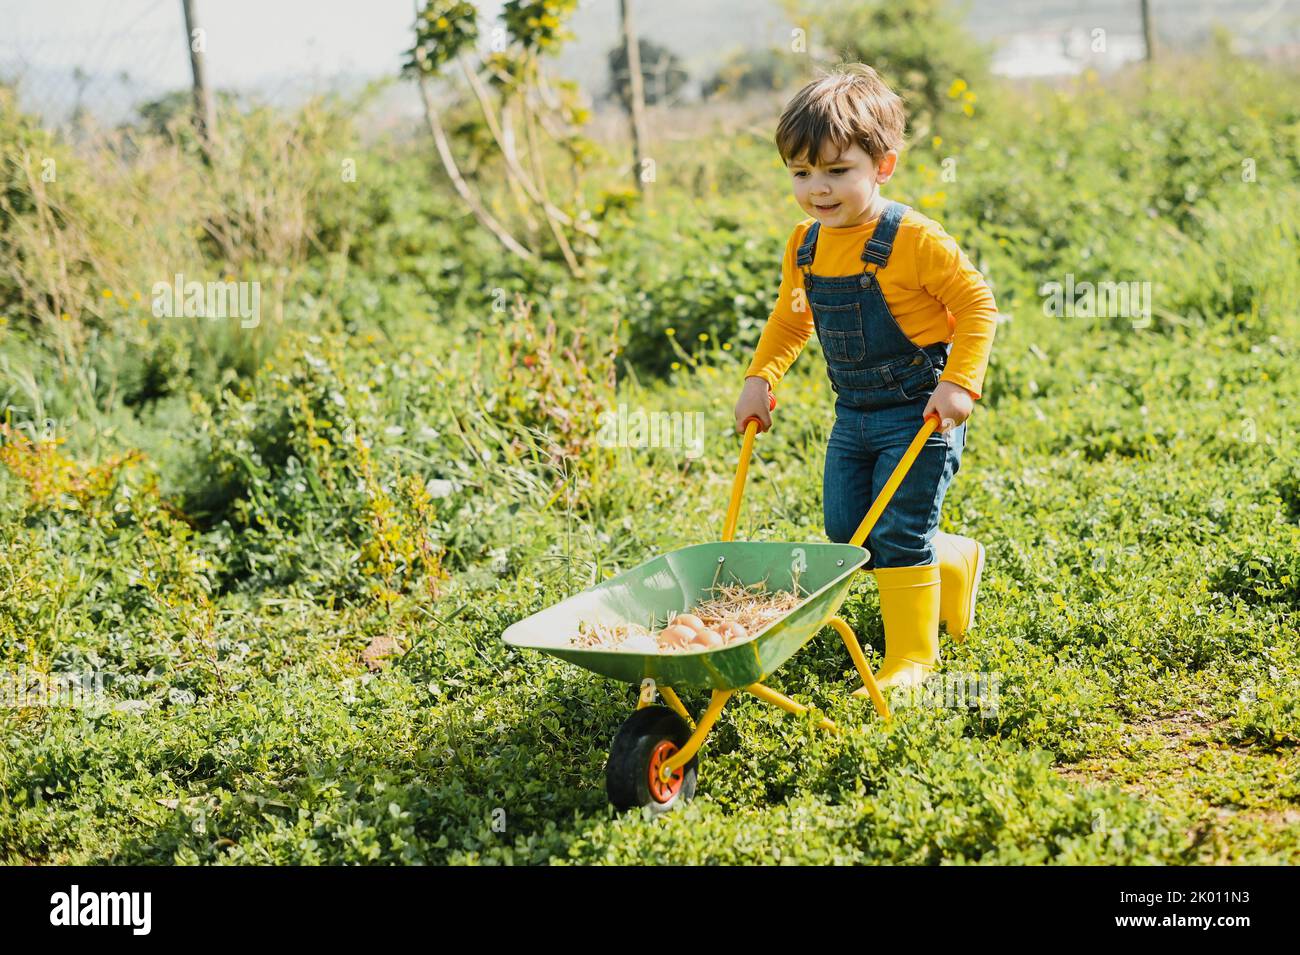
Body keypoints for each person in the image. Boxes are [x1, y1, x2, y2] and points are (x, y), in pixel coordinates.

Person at [733, 63, 995, 694]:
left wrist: (960, 380)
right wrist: (759, 377)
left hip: (920, 408)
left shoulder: (914, 240)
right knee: (848, 531)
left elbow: (977, 304)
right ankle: (953, 559)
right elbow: (792, 320)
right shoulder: (805, 245)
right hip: (854, 412)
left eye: (836, 170)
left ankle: (911, 658)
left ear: (883, 165)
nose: (818, 189)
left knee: (899, 533)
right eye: (802, 173)